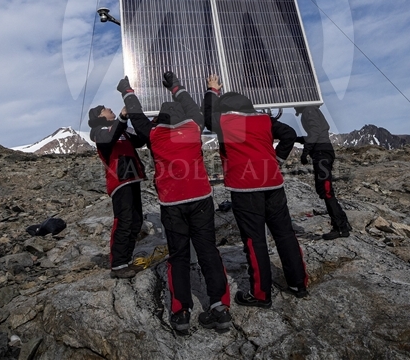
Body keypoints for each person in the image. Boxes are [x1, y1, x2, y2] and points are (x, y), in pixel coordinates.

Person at [119, 71, 232, 335]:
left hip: (172, 205)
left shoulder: (154, 135)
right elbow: (194, 108)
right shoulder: (194, 126)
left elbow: (136, 115)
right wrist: (175, 86)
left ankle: (181, 313)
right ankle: (220, 307)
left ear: (160, 118)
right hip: (201, 199)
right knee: (208, 252)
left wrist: (127, 91)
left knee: (179, 256)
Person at [203, 74, 308, 308]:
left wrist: (212, 90)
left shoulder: (228, 122)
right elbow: (290, 135)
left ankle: (261, 294)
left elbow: (209, 118)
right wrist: (277, 160)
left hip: (245, 188)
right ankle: (298, 283)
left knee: (255, 240)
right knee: (285, 234)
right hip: (273, 183)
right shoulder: (264, 121)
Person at [88, 103, 147, 279]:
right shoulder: (98, 132)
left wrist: (135, 118)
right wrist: (121, 118)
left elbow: (140, 140)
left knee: (136, 221)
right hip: (119, 180)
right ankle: (118, 264)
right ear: (99, 116)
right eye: (104, 109)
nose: (109, 108)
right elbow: (108, 139)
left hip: (133, 178)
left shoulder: (122, 130)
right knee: (124, 220)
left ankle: (126, 260)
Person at [295, 106, 352, 240]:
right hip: (323, 152)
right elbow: (317, 133)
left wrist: (305, 152)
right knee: (324, 190)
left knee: (326, 191)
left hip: (321, 153)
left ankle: (340, 228)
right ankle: (343, 224)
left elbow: (315, 132)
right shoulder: (311, 110)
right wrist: (298, 139)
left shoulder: (309, 110)